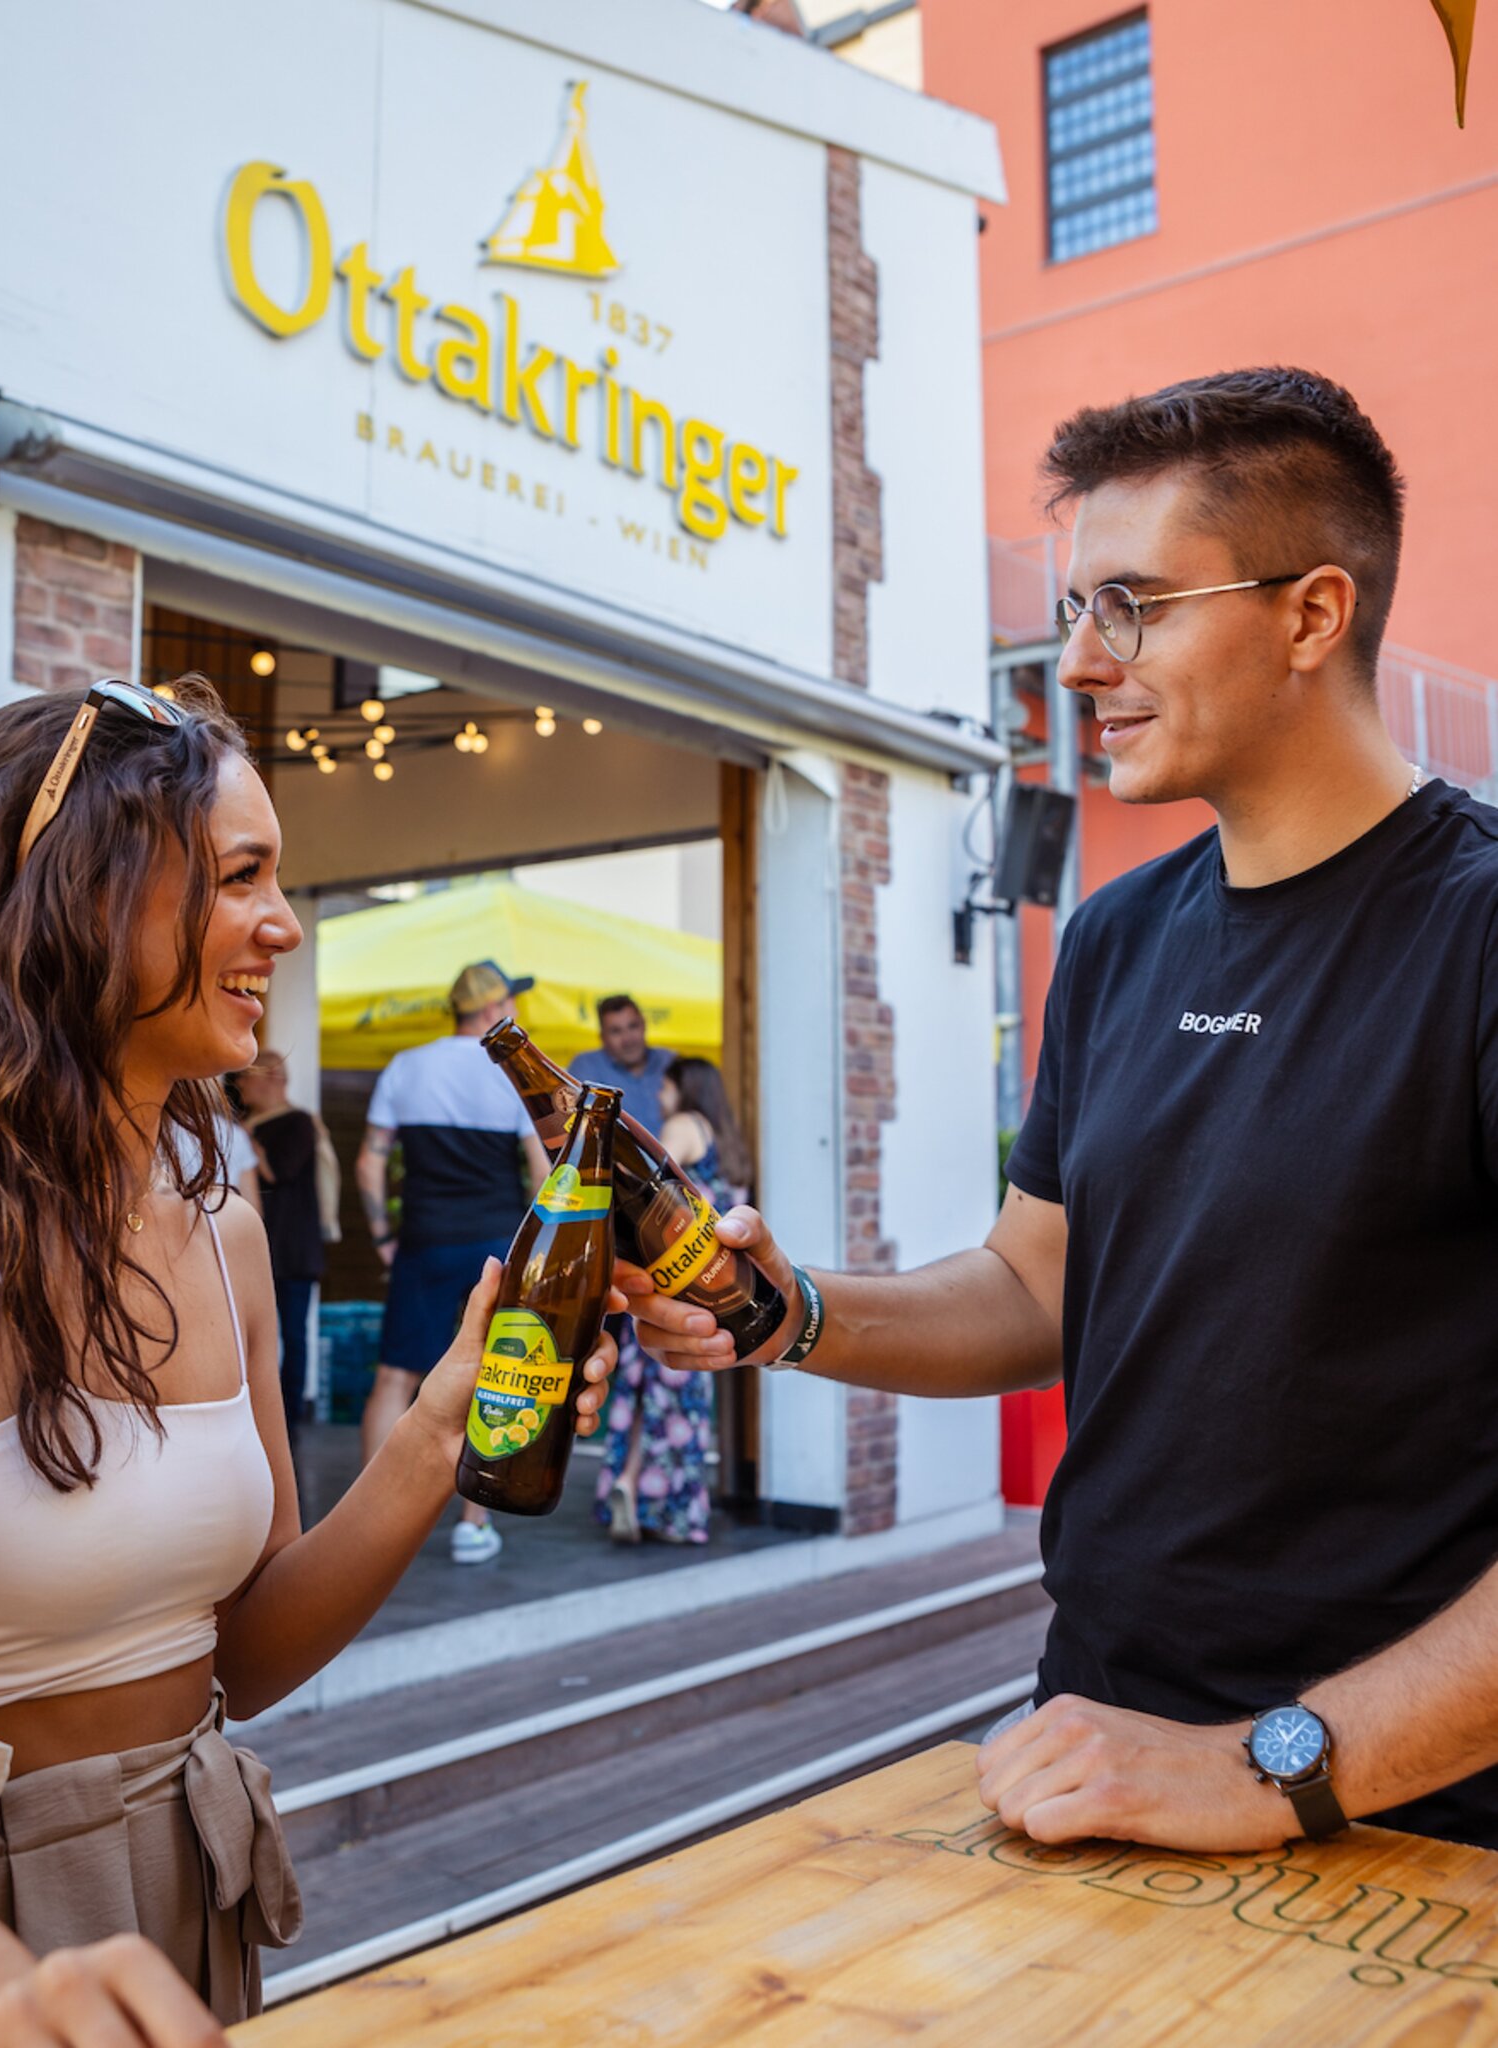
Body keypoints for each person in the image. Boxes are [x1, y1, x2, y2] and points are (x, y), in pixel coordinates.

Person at [628, 367, 1498, 1856]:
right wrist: (786, 1310)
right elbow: (1037, 1287)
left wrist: (1262, 1769)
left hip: (1411, 1819)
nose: (1081, 663)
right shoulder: (1114, 936)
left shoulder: (1474, 929)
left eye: (1133, 606)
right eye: (1076, 609)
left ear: (1311, 615)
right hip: (1089, 1753)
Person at [0, 677, 617, 2045]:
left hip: (195, 1883)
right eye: (241, 875)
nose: (285, 923)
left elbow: (243, 1652)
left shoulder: (228, 1233)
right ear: (88, 891)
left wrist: (434, 1438)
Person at [356, 960, 550, 1564]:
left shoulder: (406, 1066)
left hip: (425, 1240)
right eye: (509, 1003)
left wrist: (383, 1237)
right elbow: (542, 1173)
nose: (513, 1013)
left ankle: (369, 1520)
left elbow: (369, 1162)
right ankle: (474, 1523)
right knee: (495, 1375)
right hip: (496, 1245)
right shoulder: (513, 1074)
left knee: (396, 1375)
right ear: (492, 1009)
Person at [594, 1058, 751, 1547]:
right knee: (682, 1406)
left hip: (666, 1288)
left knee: (646, 1391)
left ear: (685, 1089)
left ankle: (629, 1484)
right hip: (711, 1297)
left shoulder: (683, 1126)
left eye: (664, 1087)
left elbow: (644, 1182)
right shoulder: (730, 1148)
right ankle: (670, 1510)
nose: (660, 1096)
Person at [235, 1050, 326, 1441]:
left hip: (293, 1248)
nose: (240, 1085)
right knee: (251, 1336)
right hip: (255, 1247)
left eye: (246, 1078)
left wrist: (249, 1147)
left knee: (293, 1336)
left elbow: (281, 1172)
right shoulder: (243, 1125)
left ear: (269, 1079)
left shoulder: (298, 1122)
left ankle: (288, 1423)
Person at [569, 994, 674, 1134]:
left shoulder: (669, 1061)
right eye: (616, 1031)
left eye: (633, 1026)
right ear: (602, 1037)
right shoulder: (586, 1067)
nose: (628, 1039)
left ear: (644, 1025)